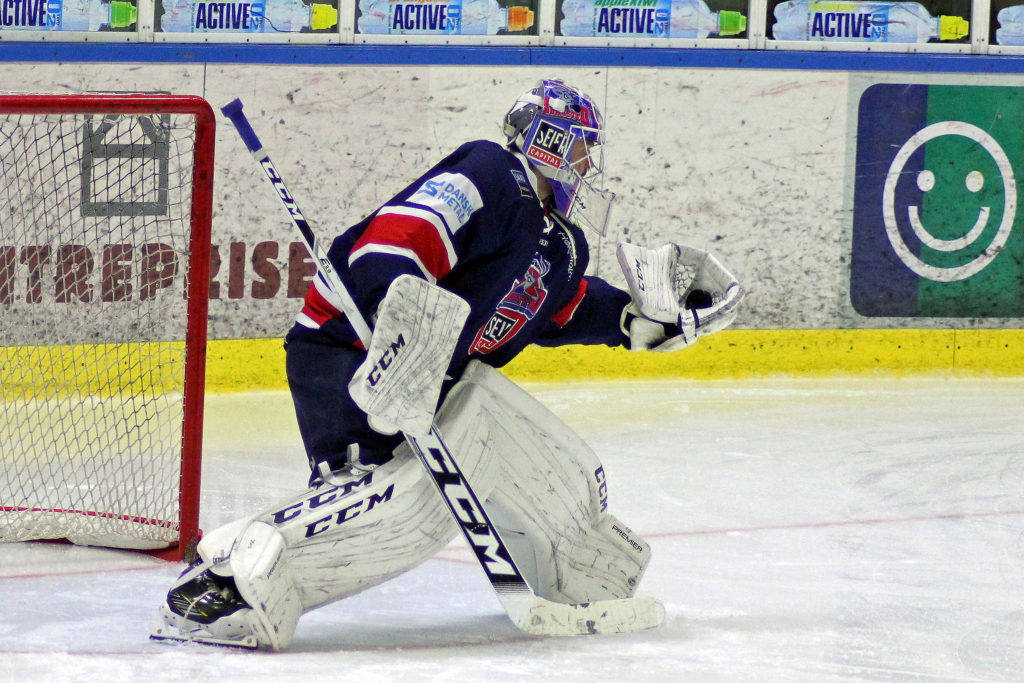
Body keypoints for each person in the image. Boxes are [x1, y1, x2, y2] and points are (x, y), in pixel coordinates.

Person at [151, 78, 744, 650]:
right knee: (394, 504)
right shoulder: (491, 174)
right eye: (583, 148)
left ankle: (578, 562)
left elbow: (563, 309)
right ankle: (226, 579)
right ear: (551, 140)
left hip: (434, 379)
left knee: (494, 439)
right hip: (350, 351)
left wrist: (633, 321)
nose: (589, 165)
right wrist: (402, 331)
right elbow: (393, 243)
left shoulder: (563, 246)